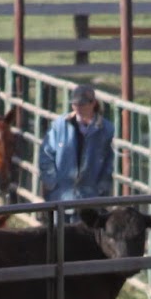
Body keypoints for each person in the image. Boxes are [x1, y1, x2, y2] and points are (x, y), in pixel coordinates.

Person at [37, 83, 114, 219]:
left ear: (93, 104)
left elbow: (109, 161)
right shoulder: (60, 125)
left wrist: (102, 188)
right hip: (61, 196)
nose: (78, 108)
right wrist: (51, 181)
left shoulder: (105, 129)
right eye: (75, 104)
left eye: (82, 104)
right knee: (59, 236)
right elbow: (46, 154)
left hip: (90, 198)